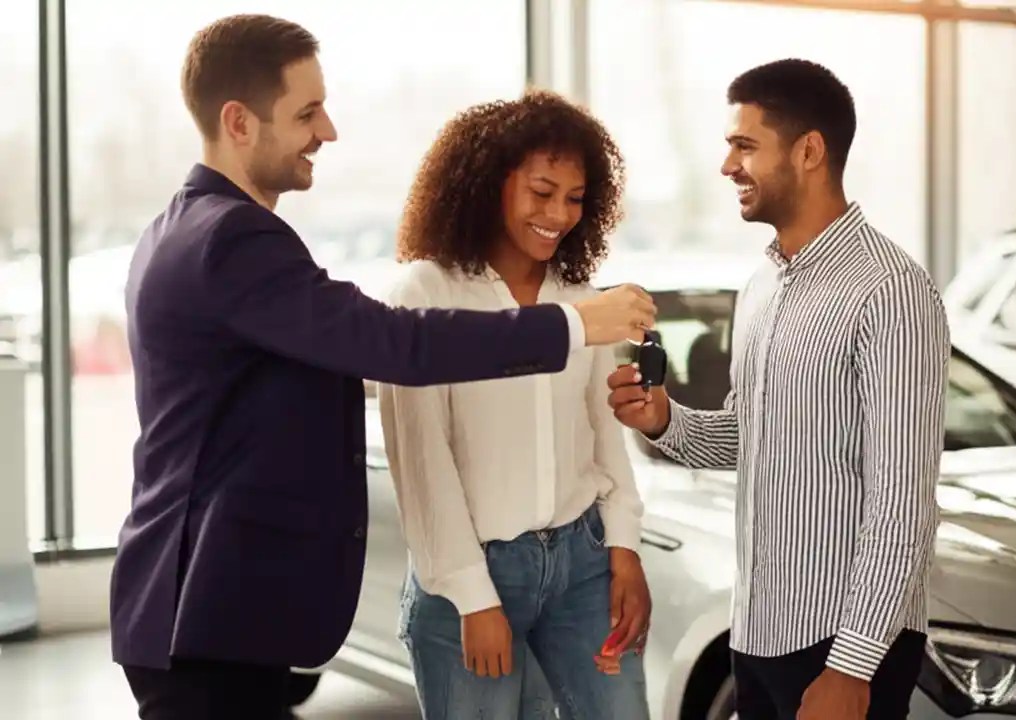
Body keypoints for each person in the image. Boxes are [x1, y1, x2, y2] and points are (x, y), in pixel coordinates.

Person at [110, 14, 655, 720]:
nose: (327, 131)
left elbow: (334, 361)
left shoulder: (182, 229)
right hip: (207, 612)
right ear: (239, 122)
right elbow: (392, 344)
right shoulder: (233, 240)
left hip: (203, 609)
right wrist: (575, 326)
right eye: (307, 112)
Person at [607, 59, 949, 720]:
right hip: (757, 633)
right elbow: (753, 436)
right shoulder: (760, 285)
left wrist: (852, 667)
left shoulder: (891, 291)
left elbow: (903, 502)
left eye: (744, 146)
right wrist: (663, 420)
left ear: (809, 151)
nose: (726, 166)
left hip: (843, 648)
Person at [378, 89, 651, 720]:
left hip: (582, 567)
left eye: (575, 199)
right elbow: (424, 465)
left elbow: (603, 437)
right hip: (473, 572)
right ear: (490, 184)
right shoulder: (425, 291)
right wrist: (474, 598)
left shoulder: (580, 297)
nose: (559, 214)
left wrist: (625, 550)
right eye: (542, 191)